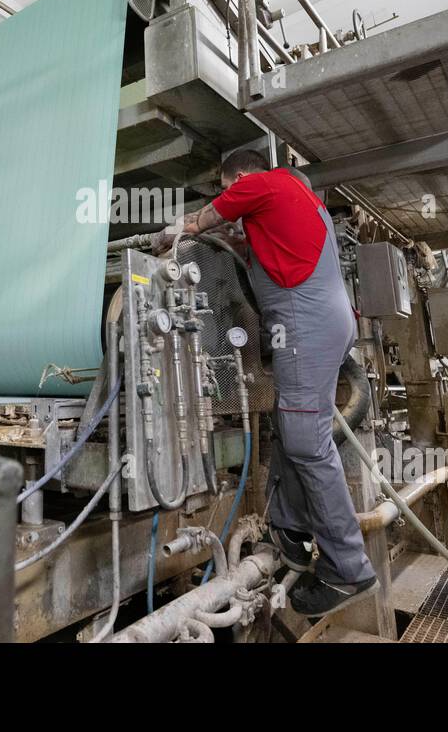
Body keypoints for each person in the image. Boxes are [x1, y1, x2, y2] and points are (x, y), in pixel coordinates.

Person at [151, 148, 377, 617]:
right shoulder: (295, 200)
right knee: (292, 426)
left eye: (223, 184)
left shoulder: (261, 183)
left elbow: (196, 223)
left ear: (236, 176)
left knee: (306, 439)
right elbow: (252, 249)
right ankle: (291, 533)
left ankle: (348, 568)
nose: (225, 193)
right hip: (325, 321)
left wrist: (168, 234)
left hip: (305, 323)